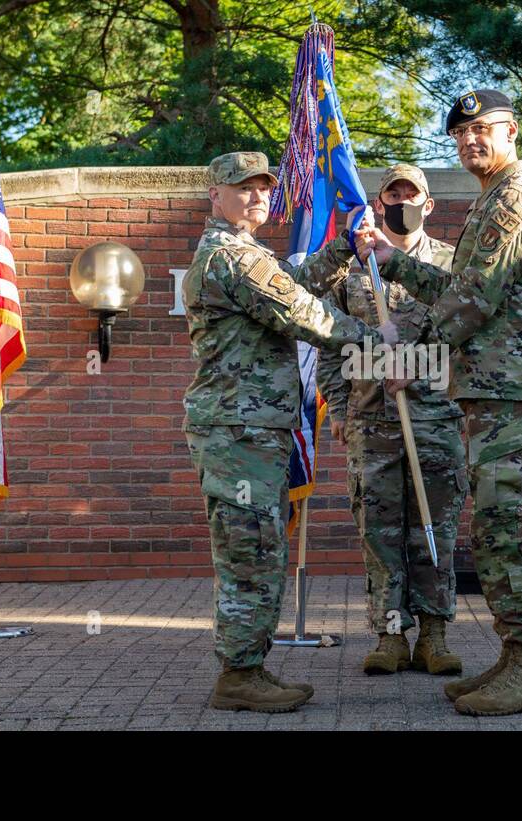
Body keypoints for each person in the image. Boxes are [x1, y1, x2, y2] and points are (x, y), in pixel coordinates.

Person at [354, 90, 522, 716]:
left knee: (509, 532)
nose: (472, 140)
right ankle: (512, 658)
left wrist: (408, 351)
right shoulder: (493, 200)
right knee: (498, 530)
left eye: (484, 129)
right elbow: (459, 286)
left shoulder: (514, 201)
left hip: (512, 396)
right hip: (495, 394)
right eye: (462, 133)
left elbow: (471, 304)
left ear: (512, 132)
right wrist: (393, 264)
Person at [183, 151, 396, 712]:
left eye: (263, 188)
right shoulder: (230, 257)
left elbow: (295, 281)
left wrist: (342, 250)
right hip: (239, 432)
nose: (256, 197)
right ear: (215, 195)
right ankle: (237, 675)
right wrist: (381, 343)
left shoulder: (247, 253)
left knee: (261, 550)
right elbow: (303, 311)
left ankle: (249, 665)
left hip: (253, 429)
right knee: (250, 555)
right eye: (243, 188)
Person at [316, 163, 467, 676]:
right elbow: (328, 342)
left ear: (429, 203)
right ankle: (390, 635)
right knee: (379, 531)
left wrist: (422, 368)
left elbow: (467, 331)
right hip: (370, 419)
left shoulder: (452, 263)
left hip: (436, 418)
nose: (402, 200)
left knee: (435, 526)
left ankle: (436, 635)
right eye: (392, 193)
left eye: (412, 193)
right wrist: (337, 405)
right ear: (378, 203)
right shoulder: (357, 268)